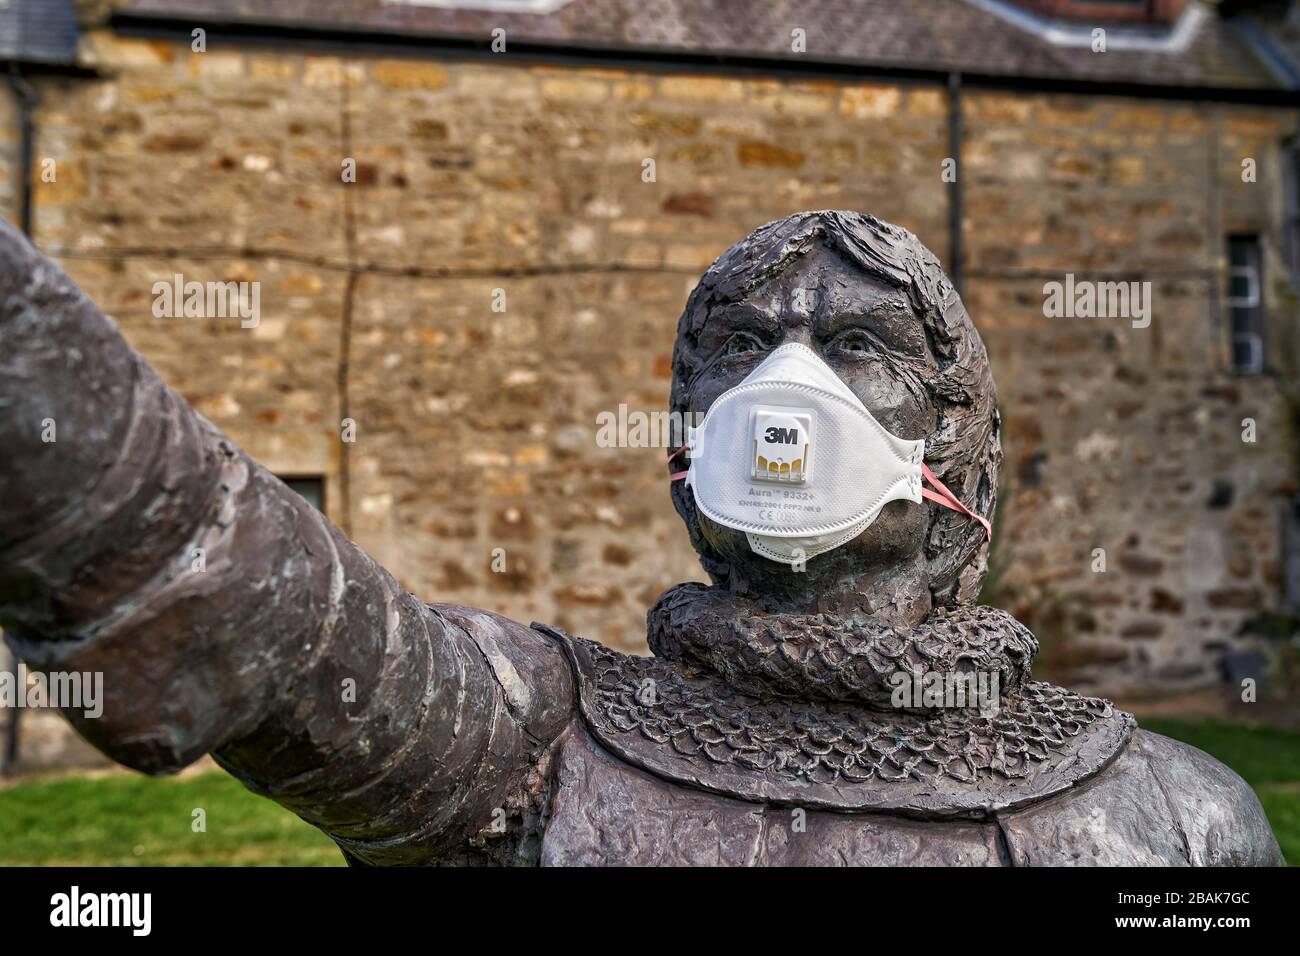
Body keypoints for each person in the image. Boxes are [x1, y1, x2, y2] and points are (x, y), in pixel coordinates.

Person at [0, 211, 1283, 865]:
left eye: (857, 347)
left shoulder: (1171, 817)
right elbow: (232, 581)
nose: (785, 389)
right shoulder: (525, 739)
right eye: (736, 344)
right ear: (683, 429)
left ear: (961, 443)